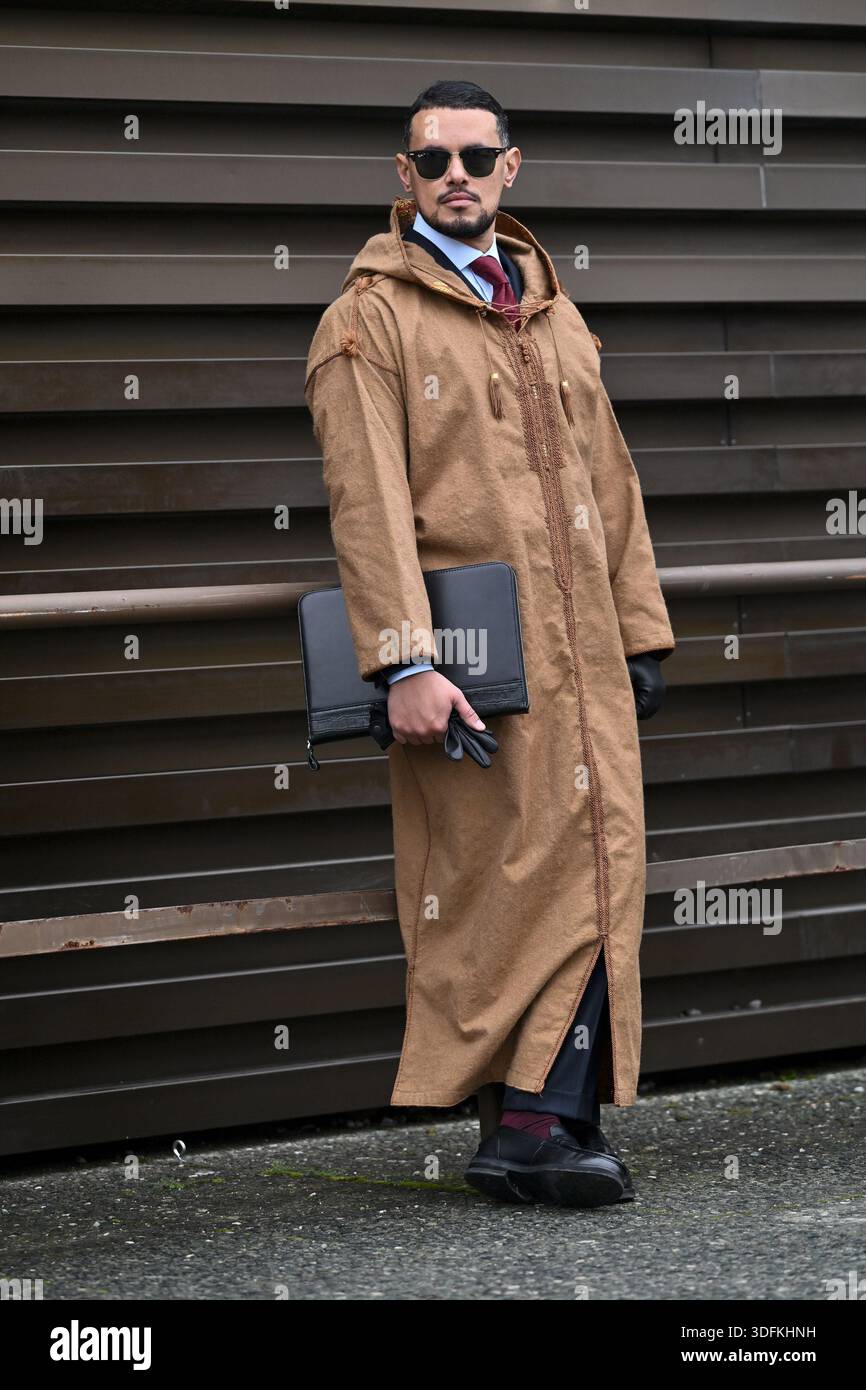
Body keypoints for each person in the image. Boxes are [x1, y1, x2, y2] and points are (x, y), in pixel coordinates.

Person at [304, 80, 675, 1208]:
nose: (453, 174)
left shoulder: (551, 312)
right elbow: (364, 502)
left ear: (511, 166)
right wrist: (404, 661)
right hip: (474, 666)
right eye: (431, 161)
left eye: (475, 155)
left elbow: (612, 482)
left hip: (586, 653)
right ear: (401, 178)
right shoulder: (367, 320)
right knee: (502, 881)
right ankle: (522, 1128)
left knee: (602, 865)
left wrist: (641, 629)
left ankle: (549, 1124)